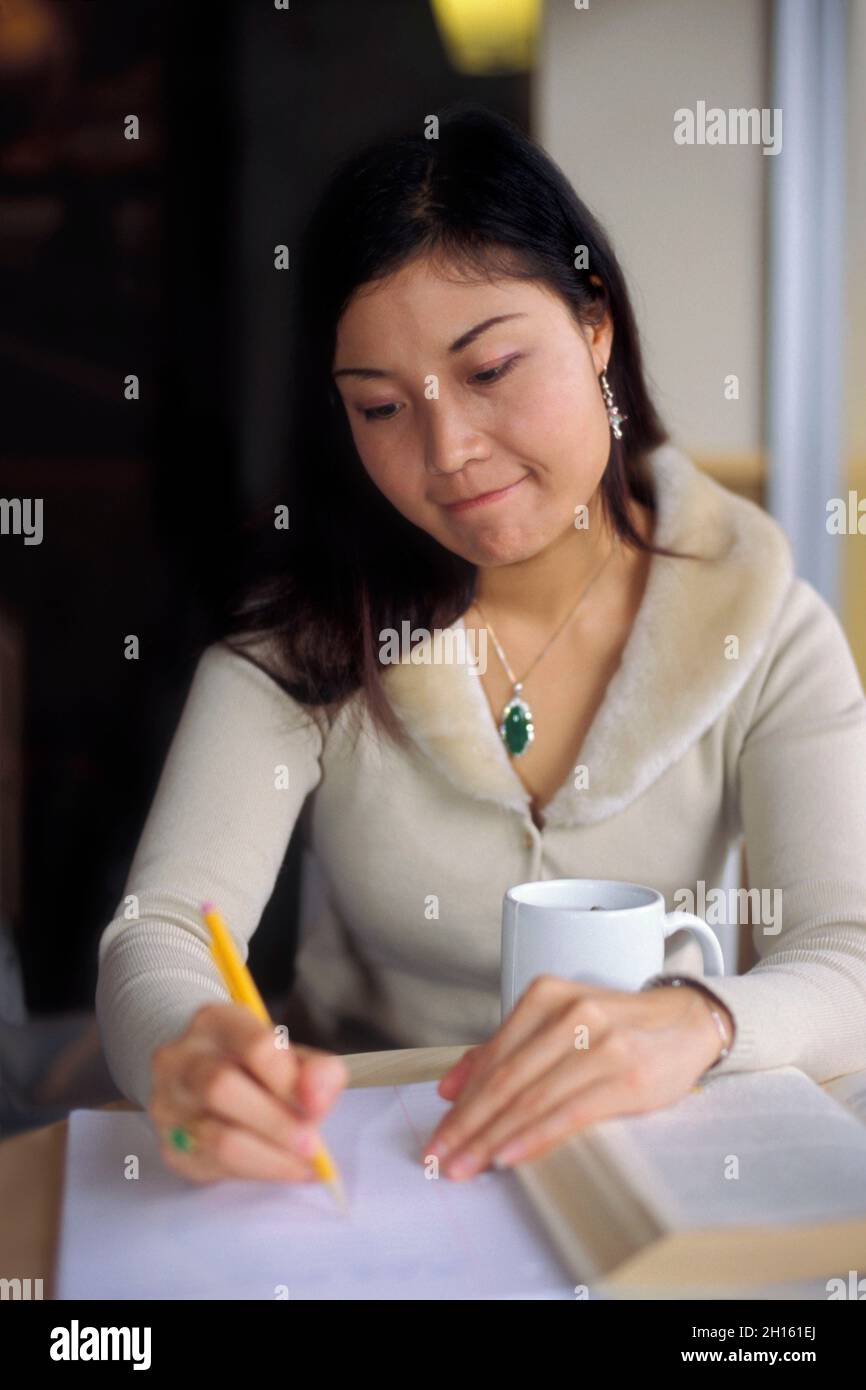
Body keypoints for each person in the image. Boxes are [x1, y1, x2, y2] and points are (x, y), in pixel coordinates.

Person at [96, 105, 866, 1188]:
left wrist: (697, 1020)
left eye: (491, 369)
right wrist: (190, 1049)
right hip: (370, 1169)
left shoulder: (761, 619)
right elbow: (159, 928)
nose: (447, 451)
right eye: (379, 408)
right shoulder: (306, 633)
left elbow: (848, 952)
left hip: (651, 1166)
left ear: (593, 323)